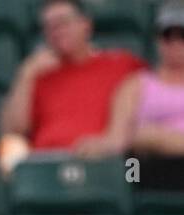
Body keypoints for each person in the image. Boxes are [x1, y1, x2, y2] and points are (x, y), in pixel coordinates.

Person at [0, 0, 145, 173]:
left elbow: (154, 106)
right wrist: (26, 75)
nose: (56, 31)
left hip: (99, 162)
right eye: (49, 26)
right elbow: (12, 130)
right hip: (46, 165)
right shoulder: (39, 76)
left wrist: (111, 141)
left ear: (85, 25)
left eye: (63, 22)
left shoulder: (121, 65)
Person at [76, 1, 184, 189]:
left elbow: (143, 136)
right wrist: (96, 146)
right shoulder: (135, 85)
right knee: (130, 171)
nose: (175, 43)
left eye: (182, 35)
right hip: (149, 170)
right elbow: (117, 139)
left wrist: (158, 138)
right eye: (168, 36)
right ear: (158, 40)